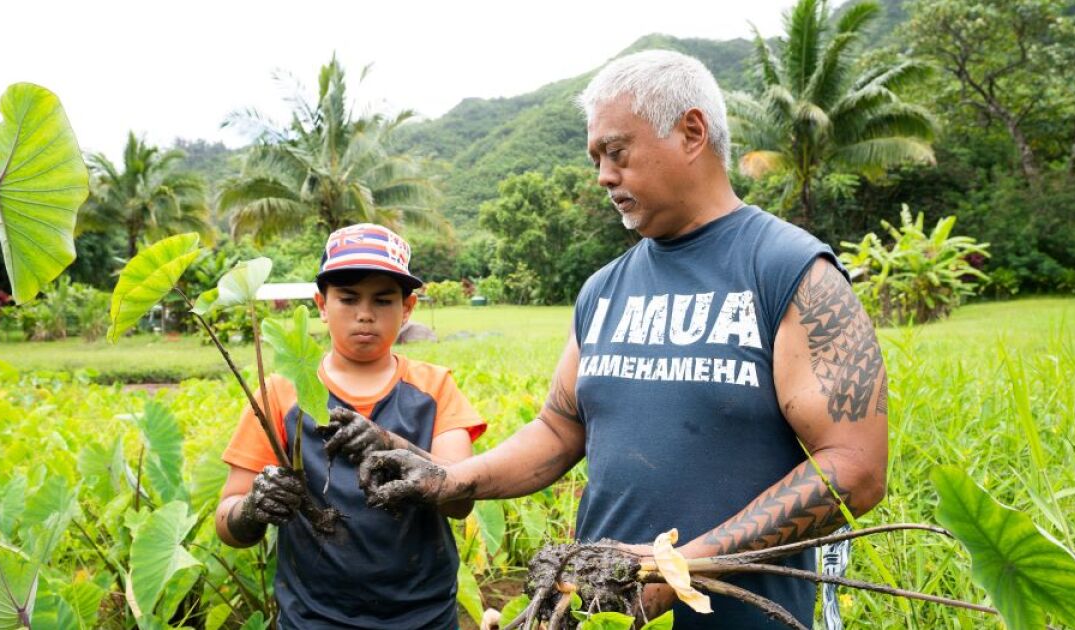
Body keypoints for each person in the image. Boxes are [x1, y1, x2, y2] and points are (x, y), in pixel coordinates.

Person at [358, 50, 888, 629]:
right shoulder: (604, 289)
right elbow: (561, 428)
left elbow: (856, 469)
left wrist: (675, 569)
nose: (603, 175)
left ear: (691, 133)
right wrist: (453, 477)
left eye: (616, 152)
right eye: (596, 158)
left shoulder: (787, 271)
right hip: (603, 617)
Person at [213, 223, 487, 628]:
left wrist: (390, 445)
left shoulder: (434, 387)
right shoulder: (282, 392)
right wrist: (253, 509)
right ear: (321, 304)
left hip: (422, 615)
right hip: (314, 617)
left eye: (382, 300)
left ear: (407, 308)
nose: (364, 314)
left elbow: (460, 500)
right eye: (348, 298)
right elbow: (227, 522)